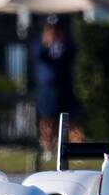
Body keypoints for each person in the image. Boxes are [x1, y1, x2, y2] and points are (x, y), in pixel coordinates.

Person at [33, 15, 83, 156]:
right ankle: (48, 147)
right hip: (48, 87)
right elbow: (39, 56)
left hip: (64, 86)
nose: (54, 31)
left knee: (72, 118)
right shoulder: (40, 43)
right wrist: (47, 44)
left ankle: (77, 149)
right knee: (47, 119)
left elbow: (70, 57)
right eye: (51, 28)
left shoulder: (67, 43)